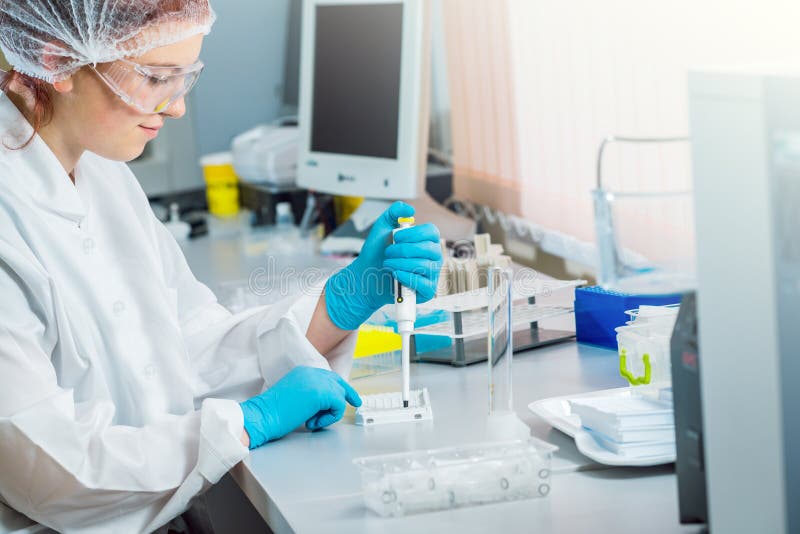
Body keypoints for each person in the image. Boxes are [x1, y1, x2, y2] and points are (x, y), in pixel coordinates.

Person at [0, 1, 442, 532]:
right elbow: (51, 470)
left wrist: (340, 304)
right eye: (157, 77)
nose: (178, 106)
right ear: (59, 61)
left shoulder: (97, 167)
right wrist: (247, 423)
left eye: (186, 76)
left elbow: (184, 344)